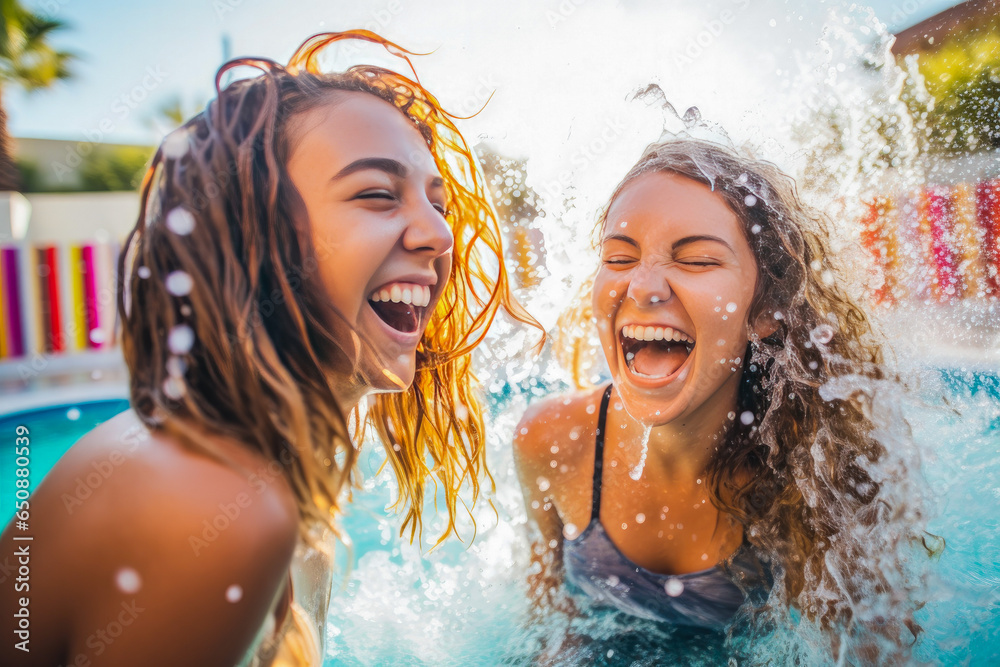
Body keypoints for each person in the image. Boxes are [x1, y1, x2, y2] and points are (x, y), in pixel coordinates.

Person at [0, 30, 535, 667]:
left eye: (437, 202)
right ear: (256, 238)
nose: (440, 233)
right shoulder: (214, 505)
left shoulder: (251, 470)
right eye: (376, 193)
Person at [514, 137, 934, 662]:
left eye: (695, 261)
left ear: (764, 311)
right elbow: (548, 623)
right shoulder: (551, 439)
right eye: (620, 257)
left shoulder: (813, 472)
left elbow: (870, 650)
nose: (643, 287)